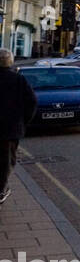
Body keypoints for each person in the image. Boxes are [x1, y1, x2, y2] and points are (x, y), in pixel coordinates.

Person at [0, 49, 38, 204]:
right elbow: (32, 103)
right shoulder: (18, 80)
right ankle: (1, 190)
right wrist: (24, 121)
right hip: (11, 130)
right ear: (11, 62)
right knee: (6, 161)